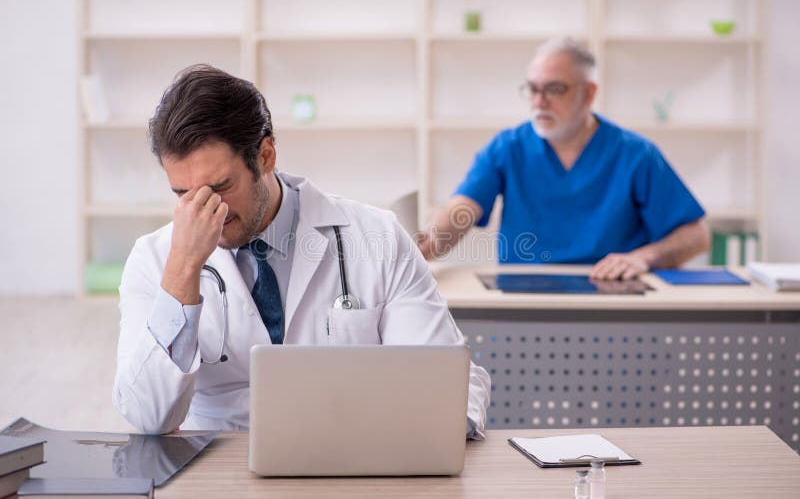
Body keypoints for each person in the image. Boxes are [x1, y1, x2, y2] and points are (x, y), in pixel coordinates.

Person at [113, 65, 490, 438]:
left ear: (265, 155)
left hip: (350, 457)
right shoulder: (155, 259)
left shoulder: (378, 237)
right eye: (183, 194)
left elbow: (448, 382)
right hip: (216, 471)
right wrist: (183, 269)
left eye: (221, 186)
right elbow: (149, 415)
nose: (206, 208)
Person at [417, 37, 710, 280]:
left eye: (554, 89)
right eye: (532, 89)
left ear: (589, 93)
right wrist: (424, 245)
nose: (539, 101)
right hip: (522, 301)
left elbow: (696, 236)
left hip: (613, 297)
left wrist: (643, 258)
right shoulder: (508, 147)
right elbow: (462, 209)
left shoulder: (635, 154)